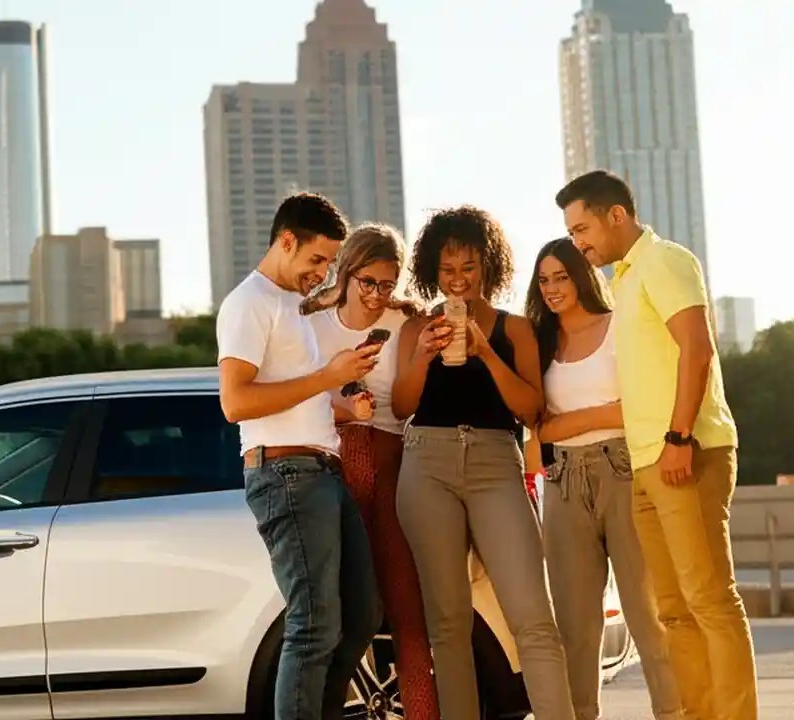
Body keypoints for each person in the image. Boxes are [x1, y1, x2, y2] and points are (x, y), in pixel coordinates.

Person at [556, 170, 758, 720]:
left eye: (582, 229)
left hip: (685, 452)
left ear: (615, 215)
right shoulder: (622, 280)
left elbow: (696, 349)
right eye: (572, 234)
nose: (579, 243)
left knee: (710, 600)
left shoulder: (665, 260)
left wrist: (678, 438)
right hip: (645, 461)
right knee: (671, 610)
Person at [390, 205, 576, 720]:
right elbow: (403, 407)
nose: (458, 280)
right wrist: (426, 355)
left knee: (533, 618)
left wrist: (485, 354)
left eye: (468, 268)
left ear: (488, 266)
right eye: (447, 270)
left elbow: (531, 409)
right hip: (427, 465)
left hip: (496, 465)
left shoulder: (515, 330)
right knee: (447, 625)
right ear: (432, 271)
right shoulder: (416, 330)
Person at [216, 191, 385, 720]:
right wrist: (326, 377)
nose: (321, 272)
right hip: (286, 475)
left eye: (329, 263)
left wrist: (343, 407)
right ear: (286, 241)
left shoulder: (290, 306)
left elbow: (294, 393)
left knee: (360, 616)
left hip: (322, 470)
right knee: (313, 626)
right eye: (316, 259)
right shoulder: (250, 303)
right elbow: (235, 402)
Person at [525, 236, 682, 719]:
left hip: (624, 471)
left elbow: (639, 406)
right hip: (563, 482)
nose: (553, 288)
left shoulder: (619, 327)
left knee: (648, 615)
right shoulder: (538, 342)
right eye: (544, 279)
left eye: (562, 276)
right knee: (575, 627)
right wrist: (600, 414)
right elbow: (537, 434)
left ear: (581, 276)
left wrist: (575, 421)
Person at [300, 223, 438, 720]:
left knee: (409, 613)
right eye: (369, 284)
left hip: (394, 460)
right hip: (333, 463)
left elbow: (402, 407)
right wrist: (343, 412)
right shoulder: (312, 324)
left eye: (388, 283)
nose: (380, 296)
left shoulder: (405, 322)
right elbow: (302, 403)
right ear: (346, 272)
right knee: (331, 621)